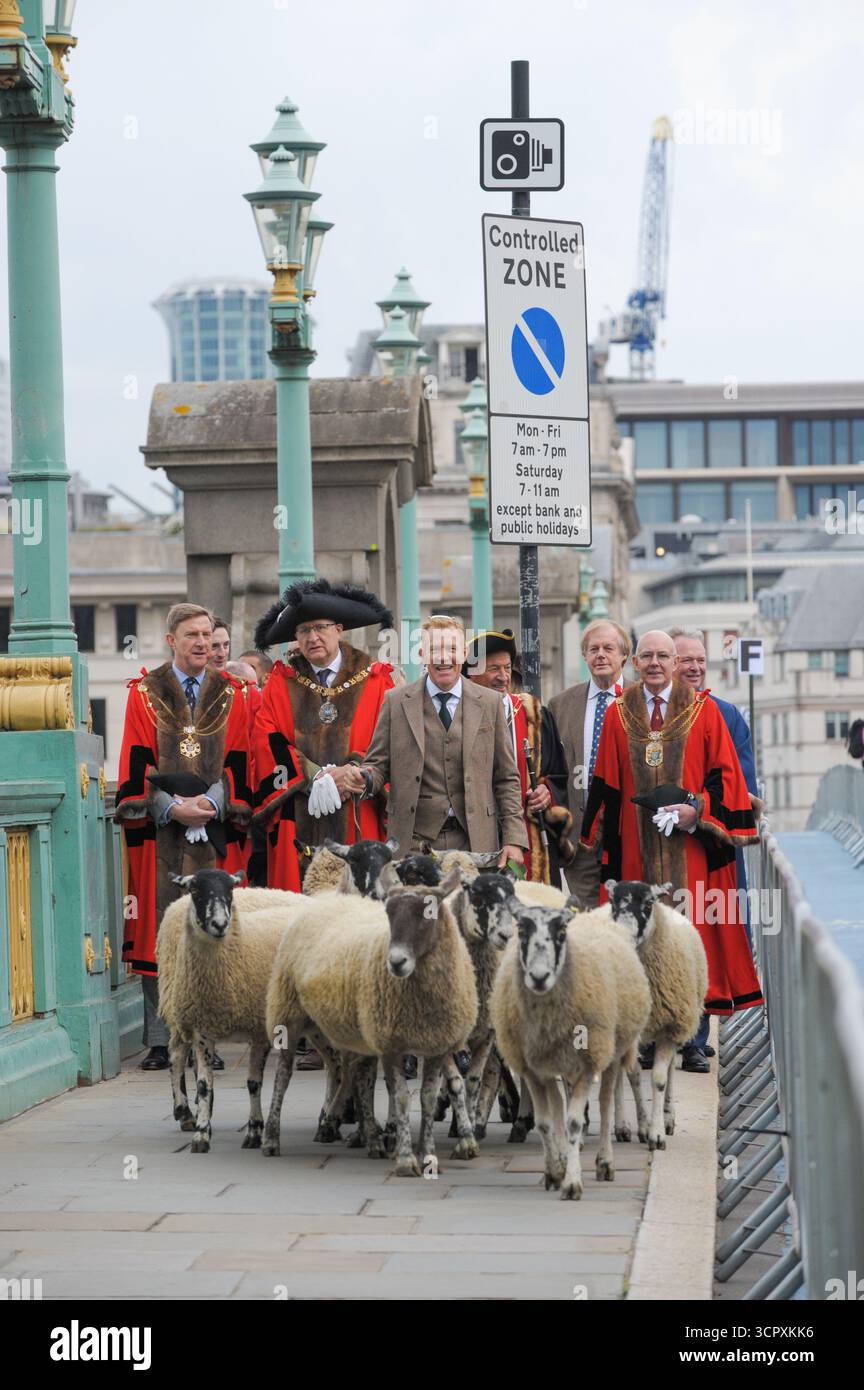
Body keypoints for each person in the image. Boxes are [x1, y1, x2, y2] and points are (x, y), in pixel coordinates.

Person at [581, 629, 763, 1072]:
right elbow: (604, 782)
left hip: (692, 850)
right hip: (636, 850)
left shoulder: (705, 712)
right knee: (640, 939)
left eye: (664, 656)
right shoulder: (620, 713)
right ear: (636, 662)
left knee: (692, 938)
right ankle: (645, 1036)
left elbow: (727, 780)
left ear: (673, 662)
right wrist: (593, 840)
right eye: (648, 656)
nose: (657, 663)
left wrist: (696, 810)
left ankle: (693, 1039)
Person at [115, 603, 252, 1070]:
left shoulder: (231, 692)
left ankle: (206, 1041)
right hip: (161, 835)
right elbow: (135, 762)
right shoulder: (144, 693)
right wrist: (173, 807)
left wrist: (212, 804)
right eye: (191, 634)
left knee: (210, 934)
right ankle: (160, 1039)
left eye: (206, 634)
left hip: (213, 833)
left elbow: (239, 758)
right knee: (159, 932)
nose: (201, 643)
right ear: (171, 639)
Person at [252, 579, 395, 893]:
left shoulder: (375, 679)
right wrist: (315, 776)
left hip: (359, 808)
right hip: (299, 811)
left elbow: (390, 742)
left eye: (320, 627)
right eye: (303, 631)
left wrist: (352, 773)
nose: (312, 637)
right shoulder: (281, 681)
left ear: (338, 629)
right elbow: (265, 740)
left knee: (358, 916)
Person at [352, 614, 527, 862]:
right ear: (423, 654)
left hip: (476, 842)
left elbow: (506, 778)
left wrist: (513, 839)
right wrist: (365, 777)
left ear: (465, 654)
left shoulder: (490, 703)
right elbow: (378, 765)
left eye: (452, 649)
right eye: (435, 649)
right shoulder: (396, 701)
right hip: (413, 842)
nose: (444, 657)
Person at [671, 626, 761, 1067]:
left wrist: (700, 812)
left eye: (699, 659)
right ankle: (664, 1036)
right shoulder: (644, 715)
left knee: (708, 938)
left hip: (715, 849)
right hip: (661, 849)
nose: (694, 666)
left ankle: (695, 1036)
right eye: (684, 658)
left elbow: (744, 792)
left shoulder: (728, 715)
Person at [465, 627, 572, 883]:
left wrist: (547, 791)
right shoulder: (459, 717)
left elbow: (558, 774)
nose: (503, 676)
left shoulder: (534, 714)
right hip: (476, 835)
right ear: (471, 674)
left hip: (530, 837)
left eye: (507, 667)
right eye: (494, 669)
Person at [548, 619, 629, 906]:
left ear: (624, 655)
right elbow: (552, 770)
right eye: (593, 649)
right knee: (586, 923)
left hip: (627, 837)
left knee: (625, 922)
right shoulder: (560, 705)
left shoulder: (640, 701)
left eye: (609, 648)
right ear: (584, 656)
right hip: (580, 840)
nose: (600, 655)